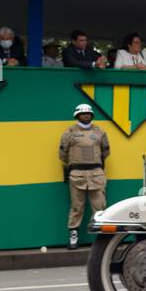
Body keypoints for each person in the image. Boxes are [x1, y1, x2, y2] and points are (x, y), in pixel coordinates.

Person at [60, 103, 110, 249]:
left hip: (96, 173)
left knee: (99, 206)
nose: (86, 115)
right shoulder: (69, 132)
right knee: (77, 206)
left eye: (89, 113)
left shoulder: (100, 131)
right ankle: (73, 234)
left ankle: (102, 238)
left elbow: (105, 151)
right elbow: (63, 154)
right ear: (77, 115)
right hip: (77, 174)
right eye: (83, 114)